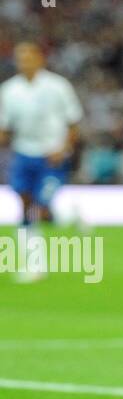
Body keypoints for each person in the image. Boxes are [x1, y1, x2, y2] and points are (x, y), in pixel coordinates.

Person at [0, 42, 83, 282]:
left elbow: (74, 122)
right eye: (20, 58)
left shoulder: (57, 86)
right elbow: (5, 129)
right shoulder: (9, 90)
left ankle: (67, 214)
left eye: (28, 57)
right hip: (23, 154)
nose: (23, 62)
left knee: (40, 208)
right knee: (27, 207)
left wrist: (64, 148)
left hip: (51, 155)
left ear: (40, 59)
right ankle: (34, 265)